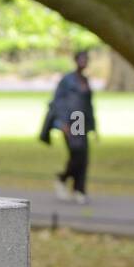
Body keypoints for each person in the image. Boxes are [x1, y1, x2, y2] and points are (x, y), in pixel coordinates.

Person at [40, 50, 97, 203]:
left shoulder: (85, 80)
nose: (84, 62)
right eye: (81, 59)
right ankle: (62, 178)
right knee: (77, 153)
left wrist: (94, 127)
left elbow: (89, 105)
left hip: (82, 122)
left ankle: (79, 190)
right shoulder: (67, 80)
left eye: (86, 59)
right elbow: (57, 101)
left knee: (83, 157)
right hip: (71, 122)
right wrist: (62, 123)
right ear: (76, 60)